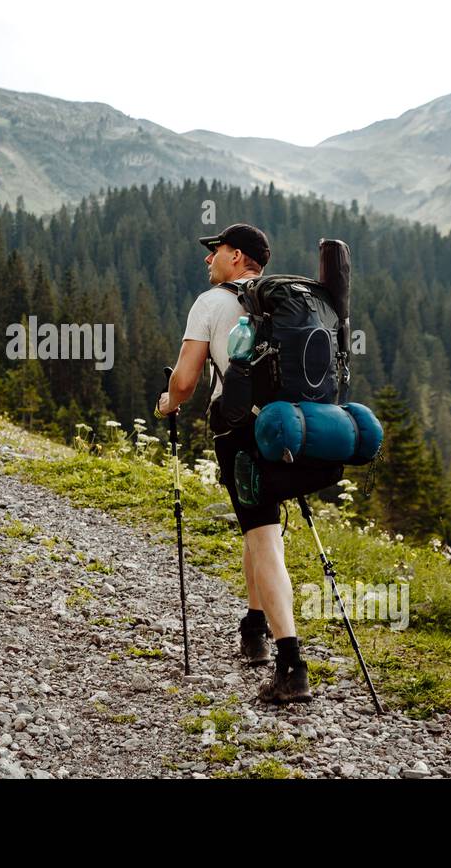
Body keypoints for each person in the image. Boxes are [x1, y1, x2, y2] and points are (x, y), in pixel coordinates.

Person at [157, 222, 312, 704]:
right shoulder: (285, 303)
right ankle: (254, 626)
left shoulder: (212, 303)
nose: (209, 259)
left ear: (239, 257)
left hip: (243, 433)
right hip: (293, 428)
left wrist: (167, 404)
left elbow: (184, 380)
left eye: (216, 251)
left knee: (263, 537)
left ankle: (291, 664)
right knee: (259, 527)